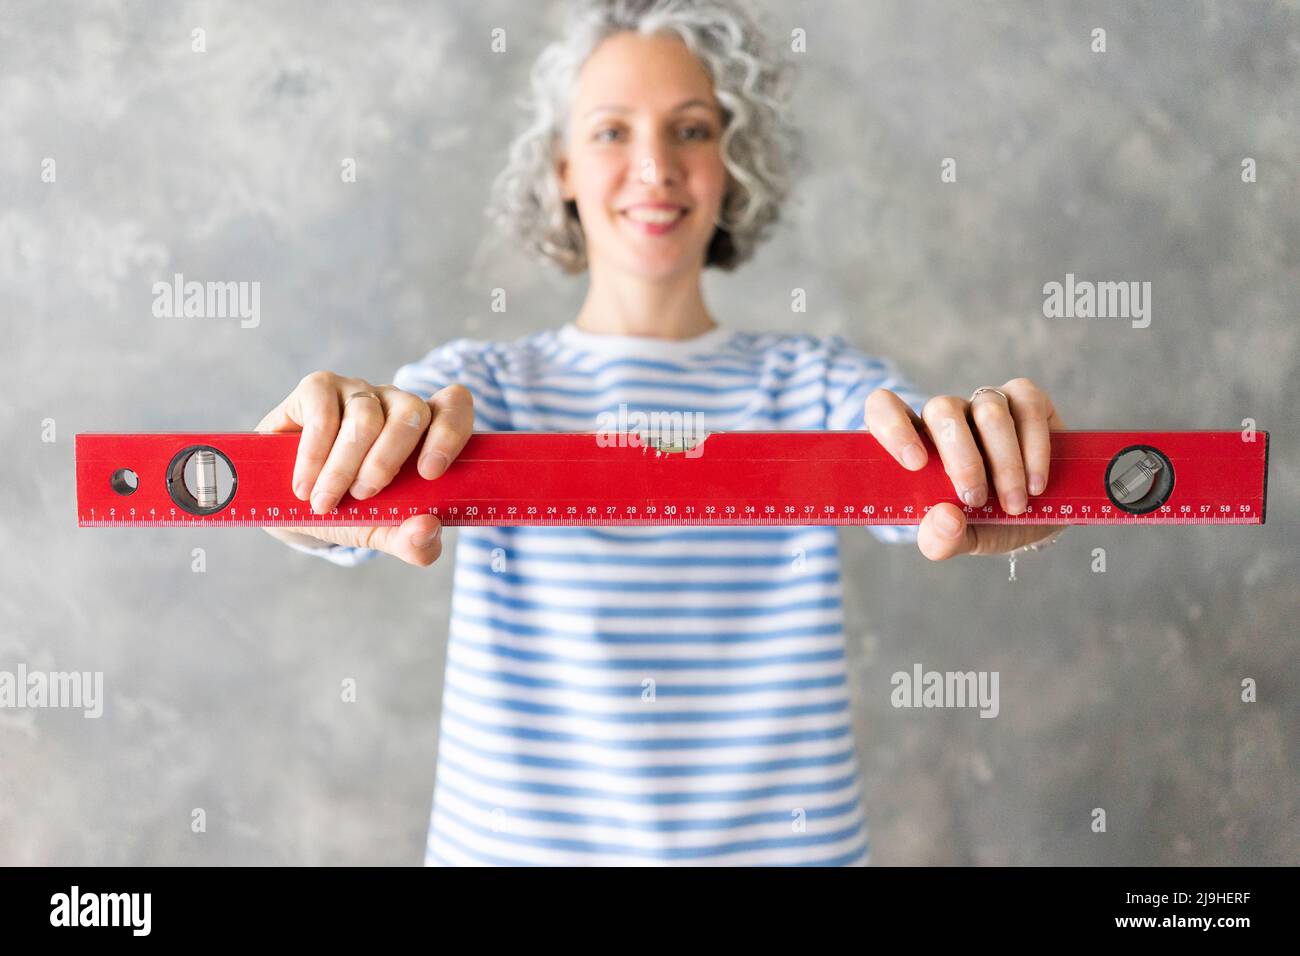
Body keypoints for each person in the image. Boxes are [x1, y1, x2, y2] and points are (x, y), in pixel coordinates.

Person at [257, 0, 1067, 865]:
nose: (654, 167)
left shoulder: (820, 385)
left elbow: (936, 476)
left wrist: (1005, 468)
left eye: (692, 129)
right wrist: (300, 460)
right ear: (562, 166)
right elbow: (318, 501)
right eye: (611, 132)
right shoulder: (478, 391)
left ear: (732, 163)